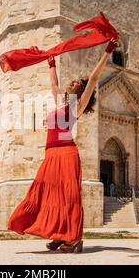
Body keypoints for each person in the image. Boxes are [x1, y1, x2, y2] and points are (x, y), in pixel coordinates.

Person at [7, 37, 120, 253]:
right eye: (74, 80)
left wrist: (109, 49)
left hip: (66, 154)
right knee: (47, 194)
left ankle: (73, 238)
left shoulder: (77, 106)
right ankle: (59, 234)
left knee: (67, 196)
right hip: (51, 155)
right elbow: (54, 85)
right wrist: (51, 62)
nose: (73, 82)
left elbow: (94, 78)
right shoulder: (61, 103)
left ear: (80, 91)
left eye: (77, 83)